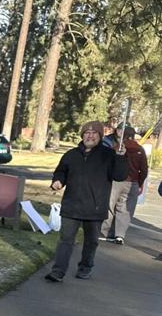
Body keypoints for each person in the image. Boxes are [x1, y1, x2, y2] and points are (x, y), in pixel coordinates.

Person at [46, 120, 128, 281]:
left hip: (95, 207)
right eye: (87, 133)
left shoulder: (108, 155)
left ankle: (85, 267)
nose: (90, 136)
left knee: (91, 242)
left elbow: (119, 175)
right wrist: (58, 181)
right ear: (82, 135)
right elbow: (61, 171)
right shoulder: (71, 154)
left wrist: (121, 158)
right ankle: (58, 272)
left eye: (94, 133)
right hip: (72, 205)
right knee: (65, 240)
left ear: (100, 136)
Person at [101, 125, 148, 244]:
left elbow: (109, 163)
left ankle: (104, 231)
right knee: (126, 210)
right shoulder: (140, 150)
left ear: (123, 135)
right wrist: (139, 183)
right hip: (133, 183)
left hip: (116, 181)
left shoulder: (118, 148)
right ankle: (120, 235)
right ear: (133, 136)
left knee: (110, 206)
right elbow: (144, 169)